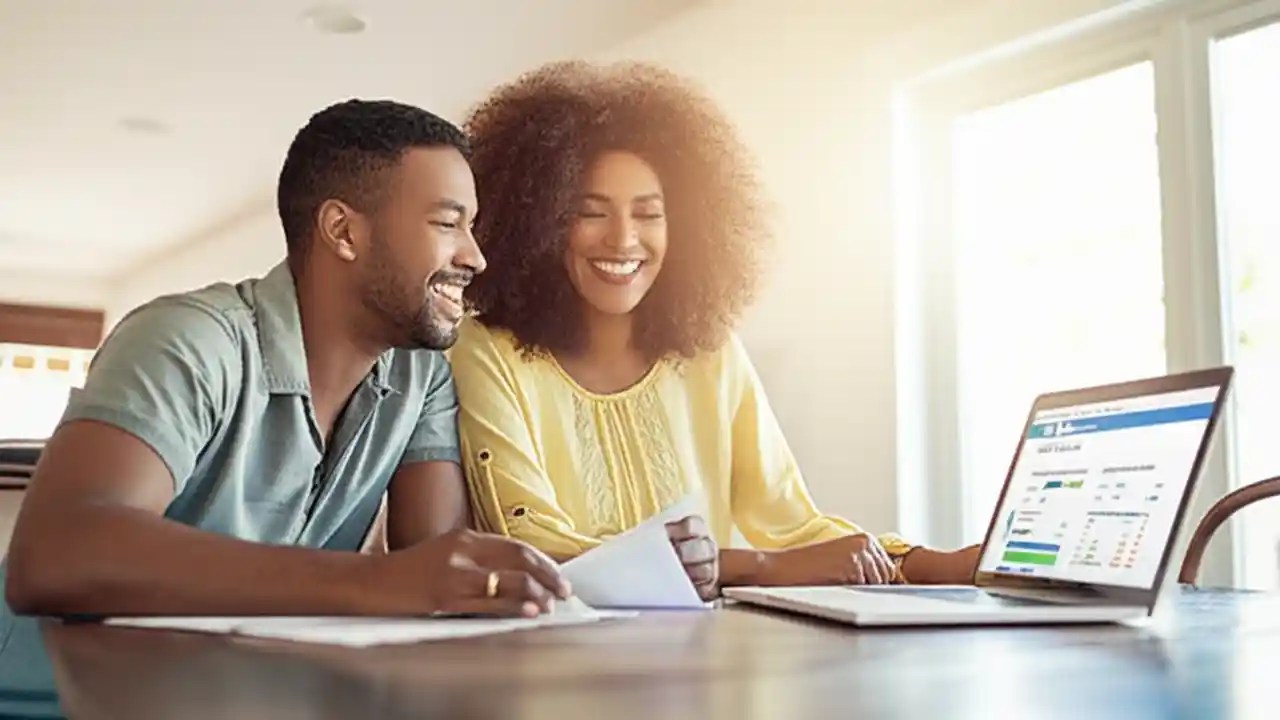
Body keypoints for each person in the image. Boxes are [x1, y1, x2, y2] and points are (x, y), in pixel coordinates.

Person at [5, 100, 570, 618]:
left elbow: (441, 570)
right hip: (60, 696)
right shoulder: (188, 341)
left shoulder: (419, 378)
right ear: (343, 232)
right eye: (448, 224)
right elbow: (57, 553)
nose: (474, 256)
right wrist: (375, 581)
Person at [452, 61, 979, 599]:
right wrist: (749, 566)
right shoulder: (484, 353)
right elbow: (531, 543)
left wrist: (922, 562)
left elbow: (792, 523)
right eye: (591, 213)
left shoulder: (712, 354)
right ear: (539, 222)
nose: (624, 239)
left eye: (649, 214)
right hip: (557, 666)